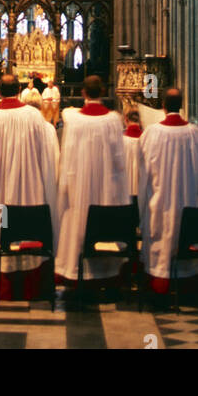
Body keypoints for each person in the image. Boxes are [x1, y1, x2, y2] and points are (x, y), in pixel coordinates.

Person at [0, 71, 59, 300]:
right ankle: (30, 282)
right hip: (28, 192)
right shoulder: (33, 117)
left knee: (0, 228)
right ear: (19, 90)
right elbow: (48, 153)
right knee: (27, 231)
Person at [55, 74, 128, 288]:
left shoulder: (73, 120)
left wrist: (65, 186)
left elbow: (67, 155)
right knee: (103, 226)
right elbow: (119, 160)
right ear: (104, 92)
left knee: (77, 223)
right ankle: (104, 272)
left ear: (82, 92)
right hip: (107, 186)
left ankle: (76, 270)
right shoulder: (114, 120)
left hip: (78, 186)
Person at [139, 88, 198, 298]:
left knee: (160, 244)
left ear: (164, 107)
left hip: (160, 201)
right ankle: (186, 284)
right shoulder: (194, 132)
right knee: (185, 240)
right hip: (187, 200)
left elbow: (144, 170)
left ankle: (159, 285)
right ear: (181, 105)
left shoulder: (152, 132)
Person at [122, 108, 142, 198]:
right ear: (139, 120)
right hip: (142, 189)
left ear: (126, 120)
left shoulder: (121, 141)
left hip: (126, 188)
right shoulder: (147, 139)